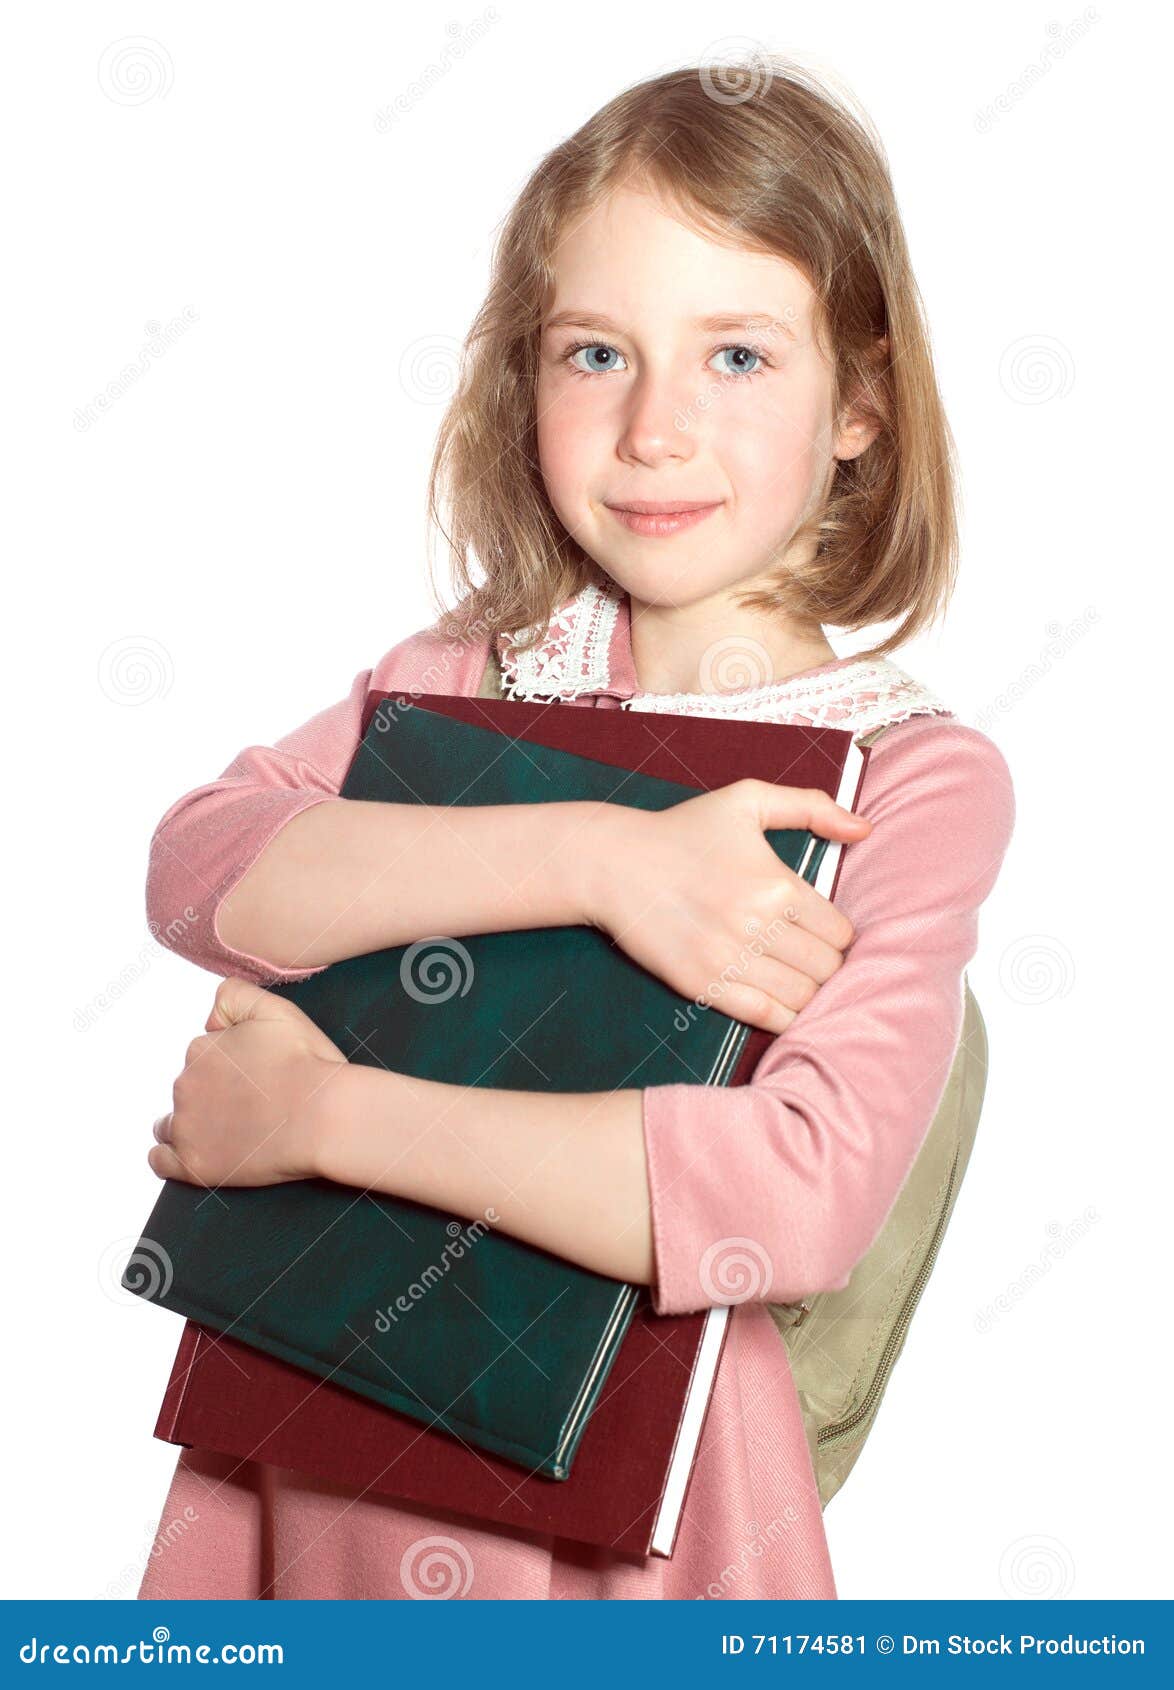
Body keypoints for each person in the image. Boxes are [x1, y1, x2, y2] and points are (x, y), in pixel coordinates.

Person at [136, 56, 1015, 1601]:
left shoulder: (905, 779)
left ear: (860, 400)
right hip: (320, 1448)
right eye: (594, 353)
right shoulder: (457, 683)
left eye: (736, 356)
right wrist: (602, 859)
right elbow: (202, 872)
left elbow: (791, 1191)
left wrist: (318, 1123)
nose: (654, 429)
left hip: (630, 1537)